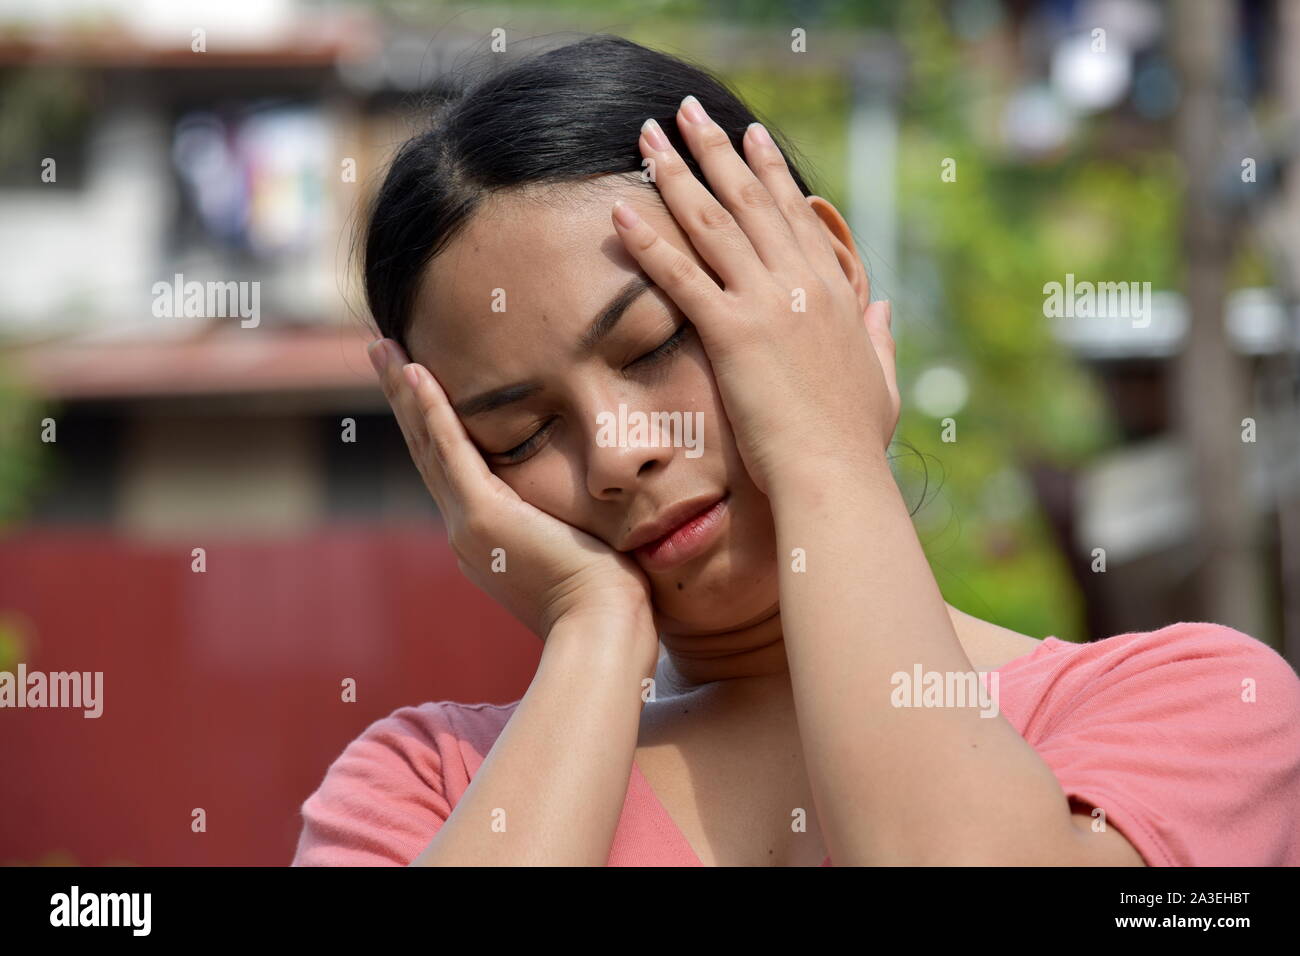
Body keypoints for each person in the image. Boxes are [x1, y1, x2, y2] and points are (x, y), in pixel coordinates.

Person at [292, 34, 1300, 866]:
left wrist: (826, 453)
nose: (616, 453)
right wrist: (593, 629)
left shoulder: (1196, 708)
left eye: (655, 344)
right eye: (520, 433)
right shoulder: (429, 788)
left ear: (823, 271)